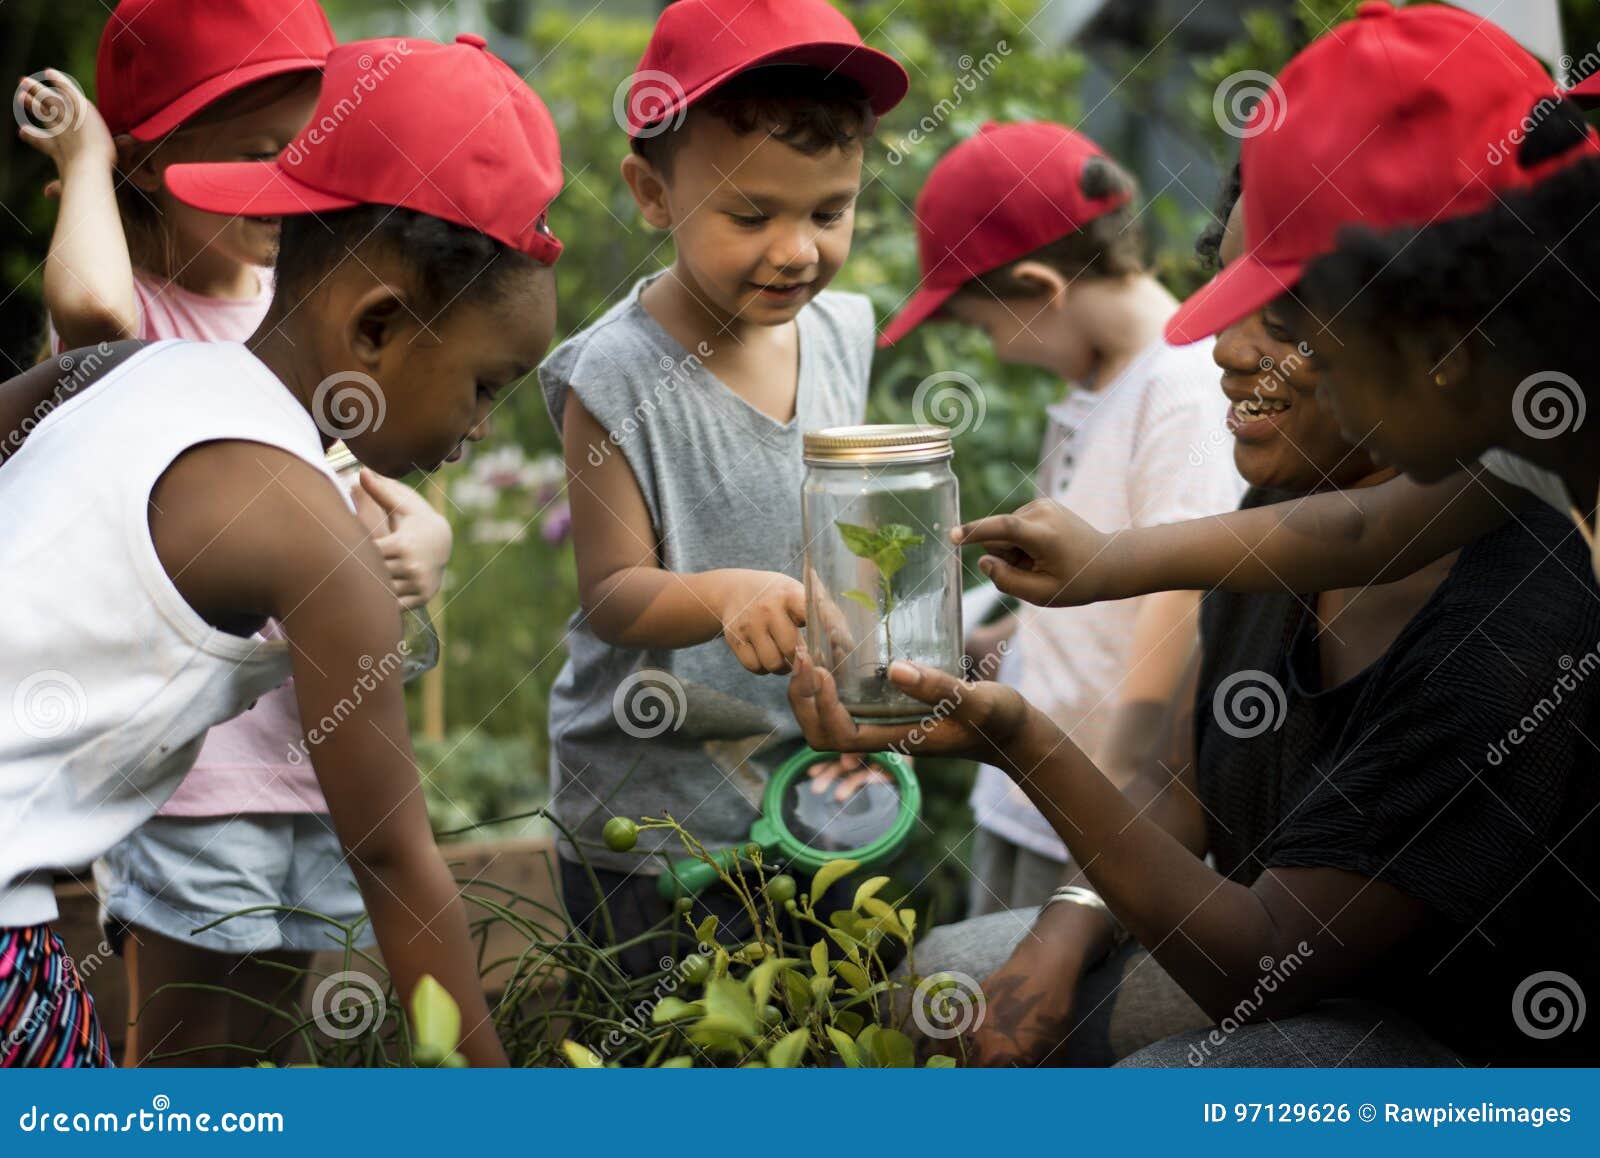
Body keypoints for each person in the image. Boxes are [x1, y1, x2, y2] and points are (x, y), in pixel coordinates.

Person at [792, 161, 1600, 1068]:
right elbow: (1178, 783)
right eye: (1231, 289)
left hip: (1461, 1048)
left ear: (1437, 333)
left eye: (1286, 312)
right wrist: (1062, 931)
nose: (1225, 346)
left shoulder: (1516, 619)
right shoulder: (1287, 514)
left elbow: (1263, 963)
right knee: (947, 981)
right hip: (1284, 976)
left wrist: (1018, 737)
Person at [0, 33, 565, 1068]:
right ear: (377, 328)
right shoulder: (321, 545)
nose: (483, 428)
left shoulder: (114, 372)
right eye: (486, 386)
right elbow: (393, 860)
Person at [953, 2, 1600, 616]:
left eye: (1307, 341)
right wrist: (1108, 560)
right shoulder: (1527, 424)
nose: (1235, 354)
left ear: (1438, 351)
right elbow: (1366, 530)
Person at [538, 0, 908, 975]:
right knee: (671, 1037)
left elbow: (842, 532)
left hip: (812, 786)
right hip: (656, 822)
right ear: (652, 193)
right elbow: (614, 594)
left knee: (822, 1018)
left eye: (828, 212)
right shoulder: (615, 376)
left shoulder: (841, 331)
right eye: (750, 215)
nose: (796, 250)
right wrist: (728, 594)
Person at [878, 121, 1243, 914]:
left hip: (1095, 818)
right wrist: (996, 647)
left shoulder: (1181, 391)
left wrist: (1115, 809)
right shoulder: (1099, 389)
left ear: (1042, 288)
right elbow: (1096, 598)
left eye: (984, 327)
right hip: (1033, 799)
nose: (995, 352)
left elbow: (1178, 604)